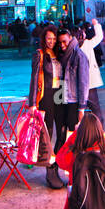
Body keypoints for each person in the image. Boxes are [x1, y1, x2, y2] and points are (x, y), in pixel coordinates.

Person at [29, 27, 64, 188]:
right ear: (44, 39)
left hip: (60, 92)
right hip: (47, 94)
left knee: (62, 131)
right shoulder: (40, 54)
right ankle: (49, 169)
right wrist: (32, 103)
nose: (52, 41)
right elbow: (34, 77)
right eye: (49, 38)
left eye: (54, 39)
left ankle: (56, 164)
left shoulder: (60, 53)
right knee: (48, 133)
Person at [56, 27, 90, 157]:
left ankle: (75, 163)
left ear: (70, 38)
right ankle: (62, 161)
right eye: (60, 42)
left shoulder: (79, 56)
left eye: (64, 41)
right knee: (61, 134)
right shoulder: (60, 55)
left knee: (73, 134)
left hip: (73, 100)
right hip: (61, 98)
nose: (62, 45)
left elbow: (84, 83)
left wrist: (81, 107)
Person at [78, 19, 105, 121]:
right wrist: (96, 24)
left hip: (78, 84)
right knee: (96, 110)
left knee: (80, 111)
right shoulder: (87, 44)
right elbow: (99, 36)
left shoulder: (72, 47)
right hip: (90, 83)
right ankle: (99, 128)